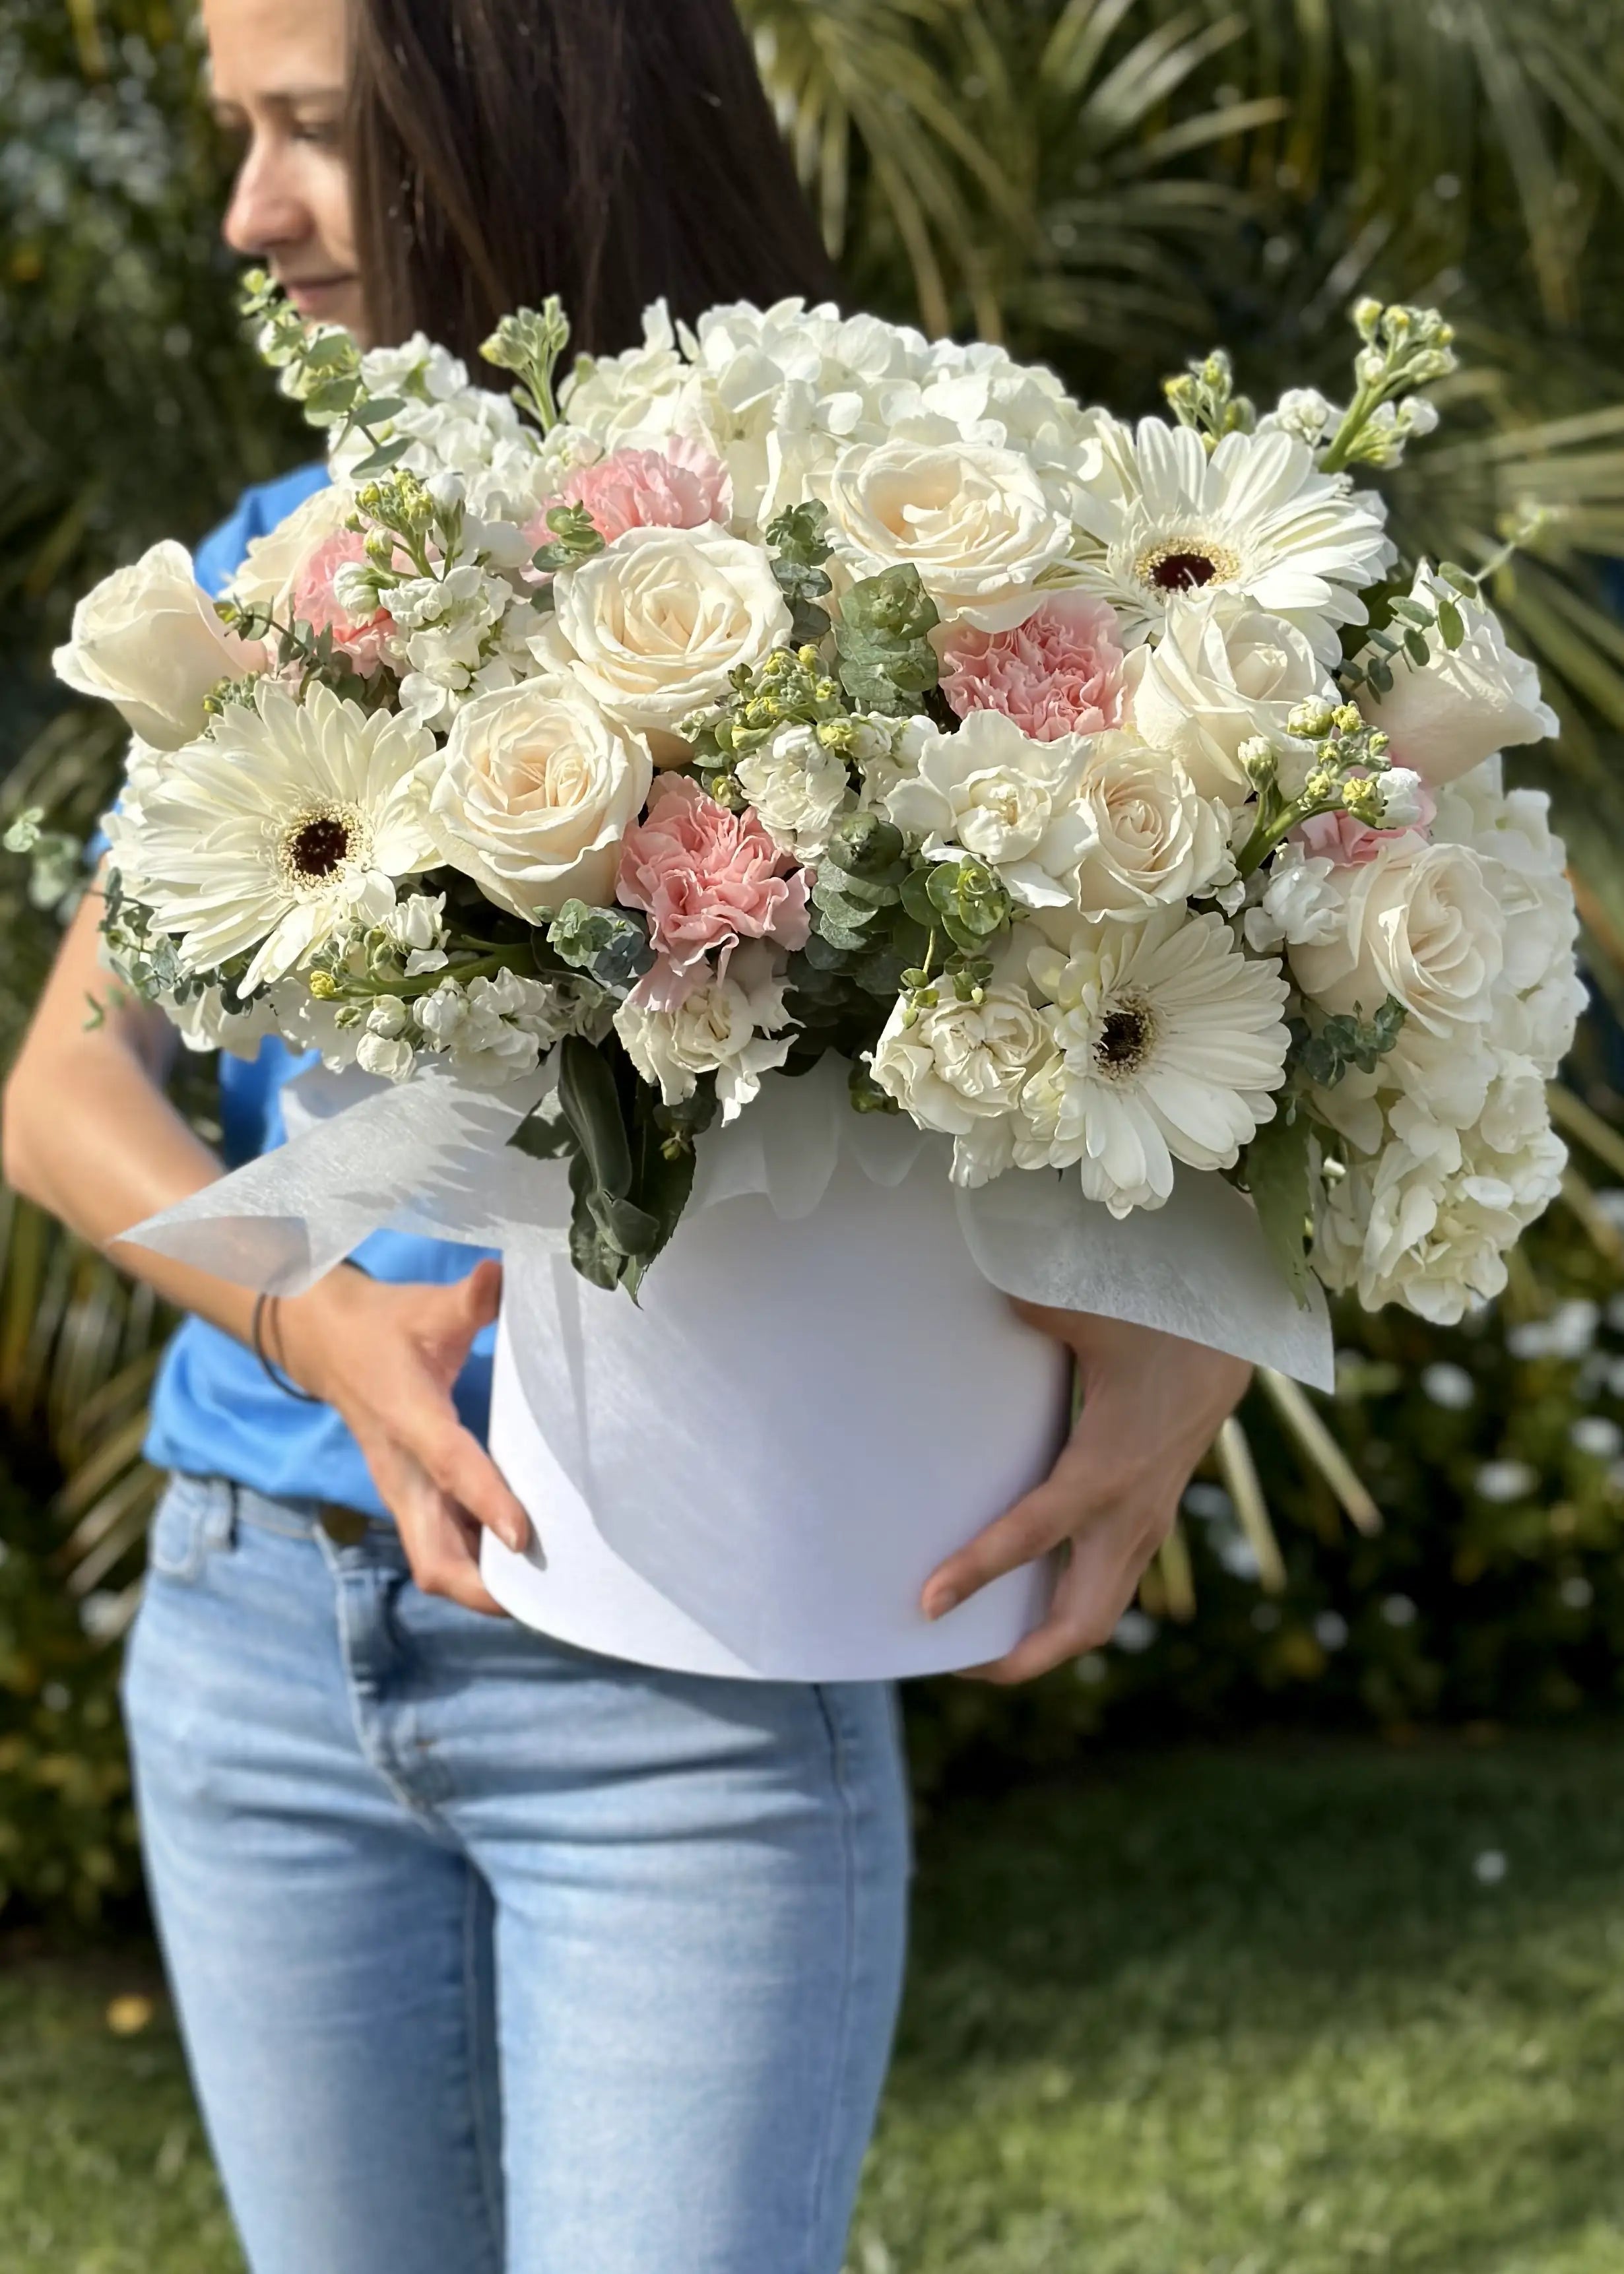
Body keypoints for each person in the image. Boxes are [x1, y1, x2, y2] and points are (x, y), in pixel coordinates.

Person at [1, 2, 1250, 2269]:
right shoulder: (284, 572)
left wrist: (1202, 1343)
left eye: (307, 135)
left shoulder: (894, 573)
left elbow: (1169, 1010)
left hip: (690, 1675)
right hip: (263, 1645)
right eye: (233, 136)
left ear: (512, 126)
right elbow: (64, 1091)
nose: (246, 217)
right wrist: (310, 1321)